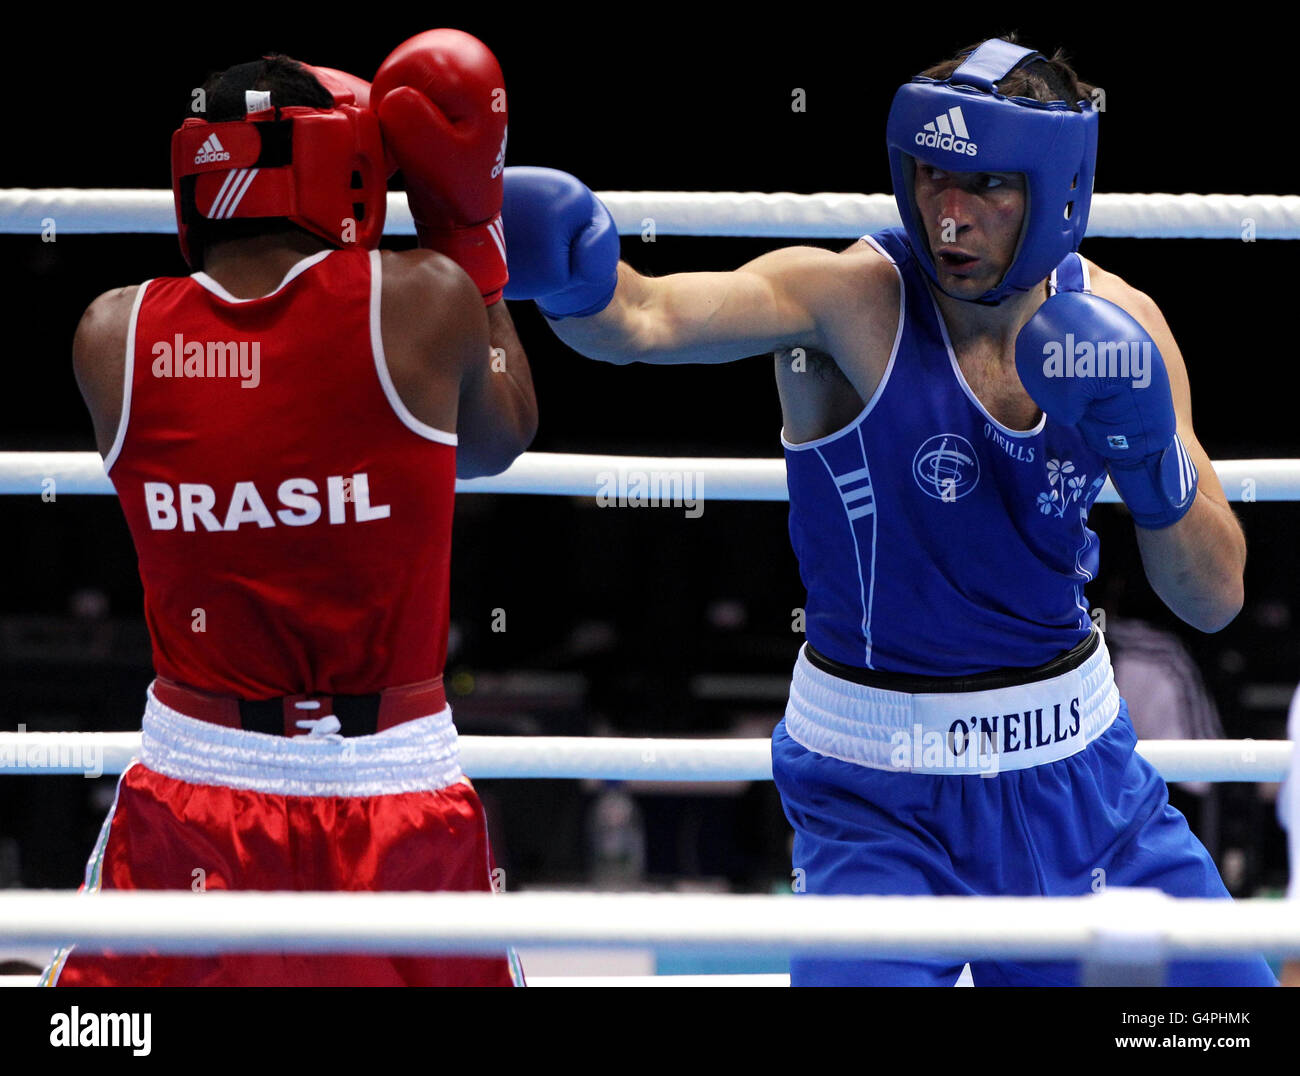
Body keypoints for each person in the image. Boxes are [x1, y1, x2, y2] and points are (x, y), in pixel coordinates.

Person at [502, 36, 1276, 986]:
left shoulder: (1125, 325)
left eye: (984, 185)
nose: (946, 215)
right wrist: (566, 274)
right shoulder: (848, 301)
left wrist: (1153, 461)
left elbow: (1215, 595)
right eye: (930, 177)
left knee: (1215, 1020)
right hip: (876, 786)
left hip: (1078, 765)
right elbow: (644, 319)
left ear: (1058, 188)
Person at [43, 30, 536, 987]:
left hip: (193, 785)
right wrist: (465, 228)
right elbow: (500, 436)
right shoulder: (421, 301)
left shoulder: (112, 333)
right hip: (394, 783)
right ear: (343, 166)